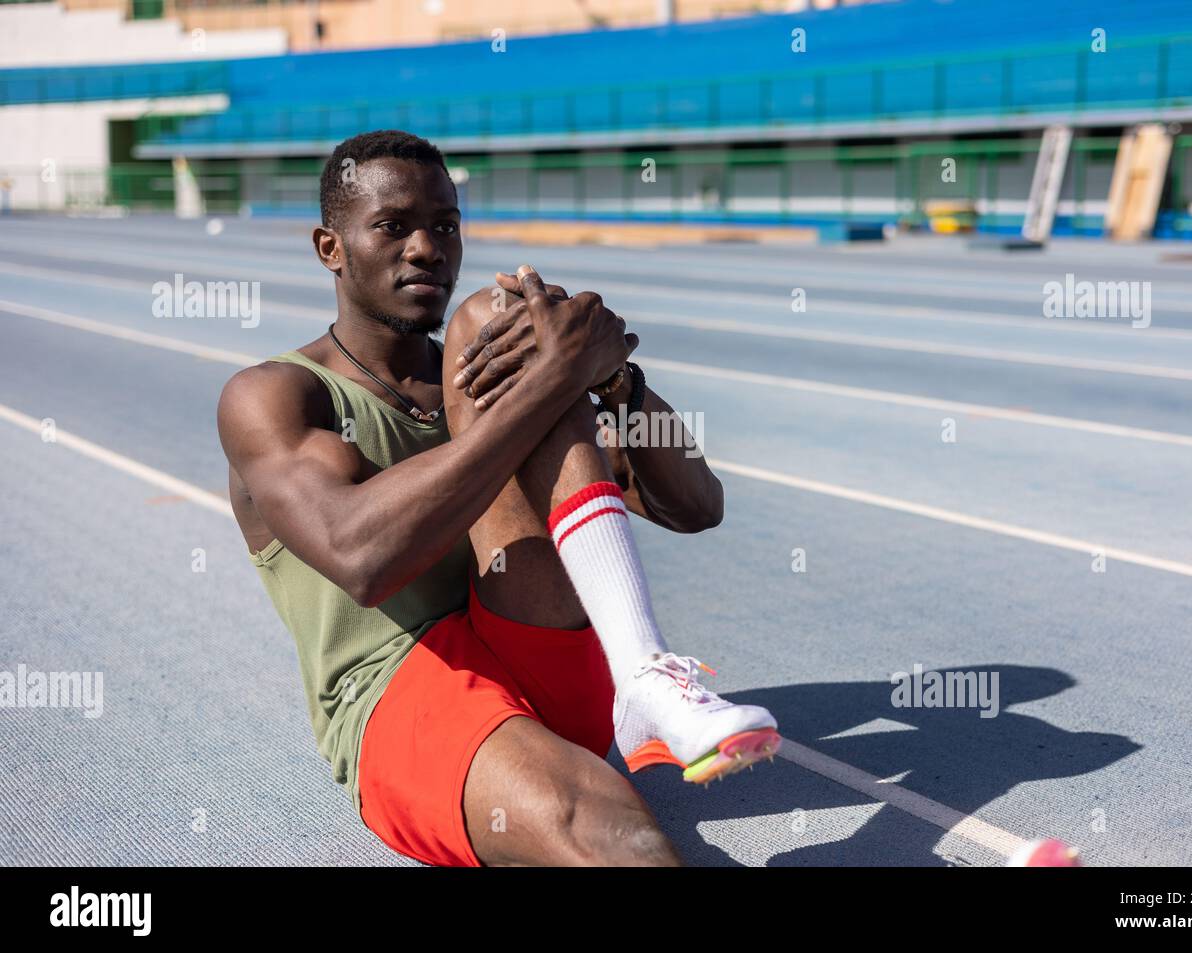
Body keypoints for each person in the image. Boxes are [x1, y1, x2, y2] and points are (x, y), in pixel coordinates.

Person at [216, 130, 780, 867]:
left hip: (538, 648)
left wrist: (614, 382)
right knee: (622, 839)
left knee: (493, 313)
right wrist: (554, 376)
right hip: (400, 693)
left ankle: (645, 674)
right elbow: (363, 557)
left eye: (444, 225)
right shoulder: (275, 396)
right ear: (331, 248)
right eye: (392, 227)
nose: (426, 247)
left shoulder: (491, 364)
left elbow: (697, 505)